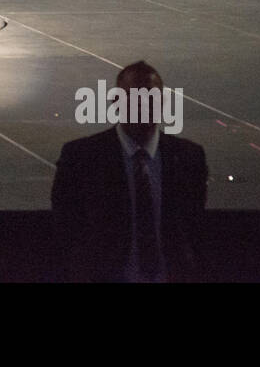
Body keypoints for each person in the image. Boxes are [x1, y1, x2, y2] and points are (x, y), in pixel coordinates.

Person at [50, 60, 208, 282]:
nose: (143, 105)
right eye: (135, 97)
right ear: (116, 102)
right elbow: (65, 228)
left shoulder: (189, 158)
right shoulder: (81, 157)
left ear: (162, 102)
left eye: (150, 98)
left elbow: (194, 228)